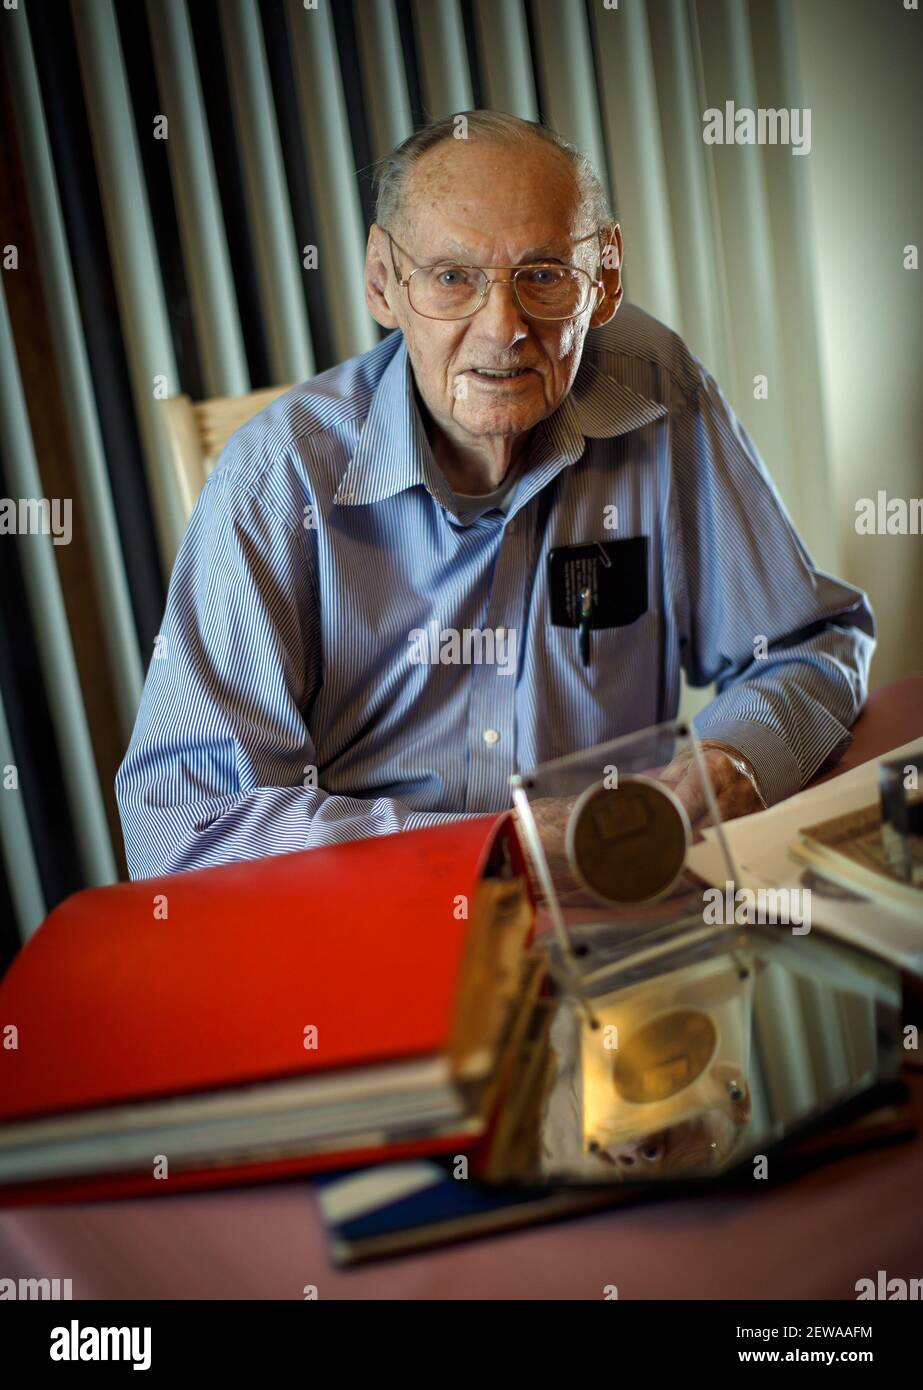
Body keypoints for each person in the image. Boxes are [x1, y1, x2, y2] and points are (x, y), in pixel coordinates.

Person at [116, 111, 874, 881]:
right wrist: (499, 845)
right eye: (452, 277)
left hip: (619, 894)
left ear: (604, 279)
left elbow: (804, 643)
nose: (502, 328)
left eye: (542, 274)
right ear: (383, 281)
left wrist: (732, 759)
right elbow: (185, 829)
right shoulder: (274, 477)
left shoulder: (654, 390)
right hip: (382, 916)